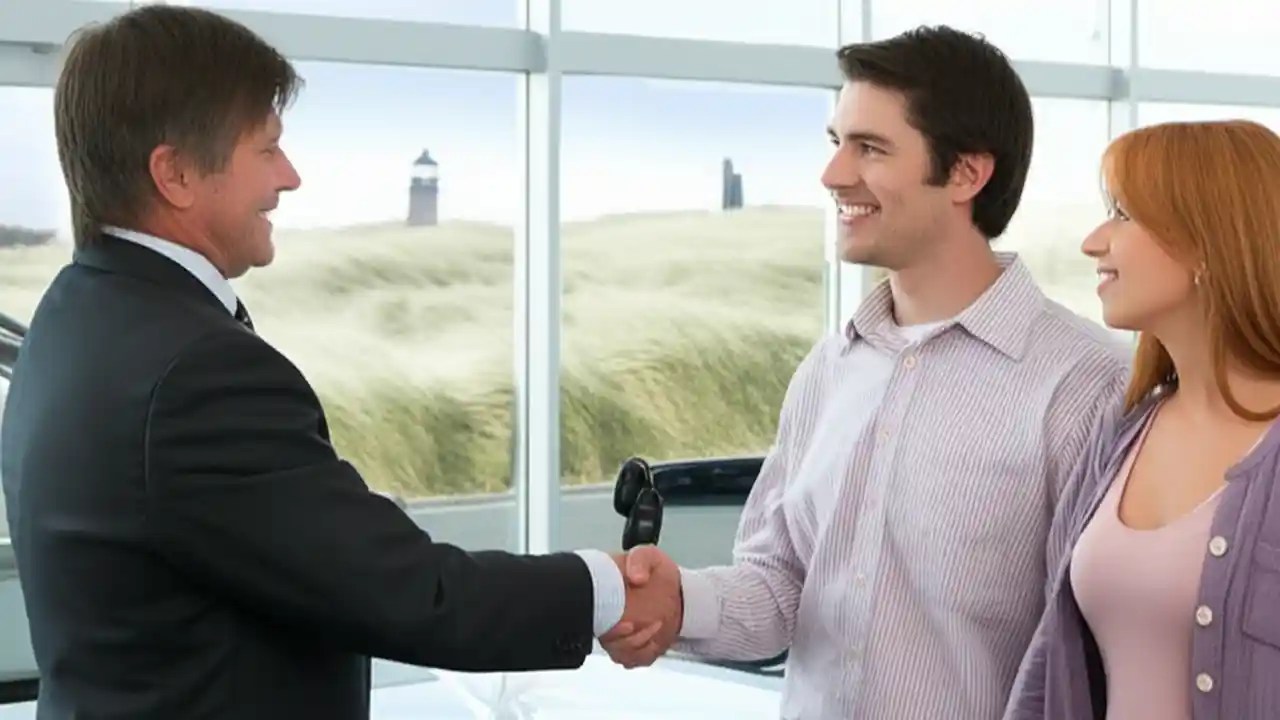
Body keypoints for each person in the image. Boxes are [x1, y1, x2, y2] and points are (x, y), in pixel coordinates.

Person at [0, 6, 678, 719]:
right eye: (267, 149)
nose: (289, 177)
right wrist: (609, 590)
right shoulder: (197, 374)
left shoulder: (72, 315)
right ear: (175, 173)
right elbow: (406, 592)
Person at [600, 25, 1132, 720]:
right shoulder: (828, 370)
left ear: (967, 174)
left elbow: (1095, 656)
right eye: (836, 142)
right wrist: (678, 603)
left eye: (870, 148)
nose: (833, 174)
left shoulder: (1087, 386)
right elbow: (781, 585)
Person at [1003, 120, 1280, 720]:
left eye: (1123, 214)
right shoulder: (1121, 432)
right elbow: (1049, 669)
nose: (1093, 242)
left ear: (1206, 242)